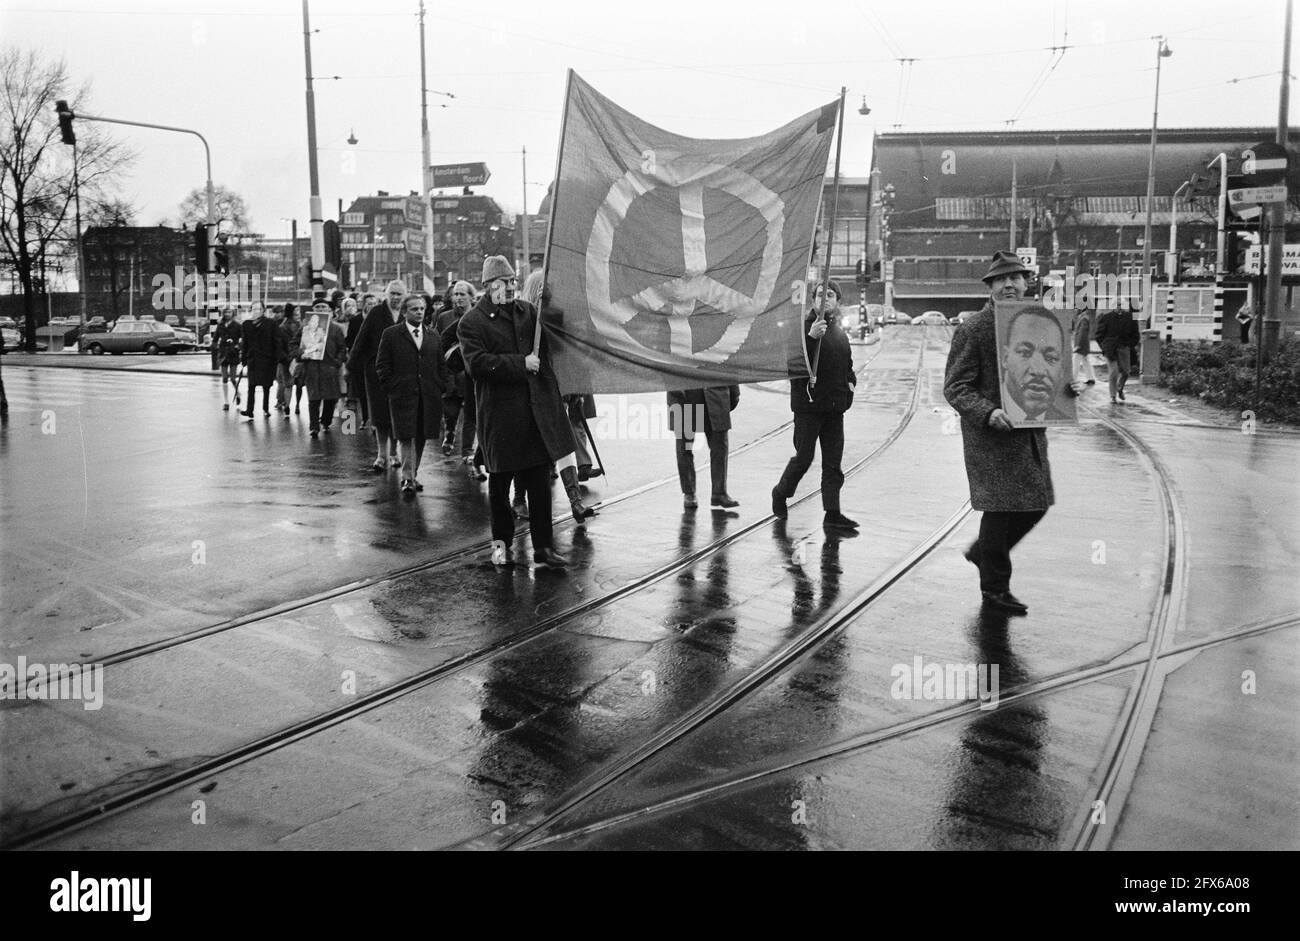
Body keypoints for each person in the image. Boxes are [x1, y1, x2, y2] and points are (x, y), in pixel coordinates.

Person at [943, 250, 1055, 616]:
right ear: (990, 287)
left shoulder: (1038, 324)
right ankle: (995, 589)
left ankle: (982, 555)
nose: (1009, 284)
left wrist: (1064, 391)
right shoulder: (974, 328)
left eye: (1015, 278)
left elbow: (1048, 372)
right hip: (991, 436)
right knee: (999, 509)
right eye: (1000, 280)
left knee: (1035, 505)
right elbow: (956, 386)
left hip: (1028, 434)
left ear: (1026, 283)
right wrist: (987, 412)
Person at [458, 256, 576, 570]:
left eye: (512, 281)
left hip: (533, 414)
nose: (509, 287)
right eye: (502, 282)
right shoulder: (472, 323)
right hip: (499, 419)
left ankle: (544, 548)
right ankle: (501, 546)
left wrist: (549, 302)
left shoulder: (529, 313)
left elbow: (556, 339)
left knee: (539, 487)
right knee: (499, 490)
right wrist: (520, 363)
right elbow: (478, 365)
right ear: (487, 286)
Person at [771, 279, 858, 531]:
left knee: (833, 463)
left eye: (830, 295)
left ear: (837, 301)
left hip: (834, 409)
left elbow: (848, 368)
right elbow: (793, 365)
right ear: (813, 300)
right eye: (820, 294)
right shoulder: (802, 329)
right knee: (804, 457)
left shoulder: (839, 333)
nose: (825, 298)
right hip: (808, 407)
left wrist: (849, 388)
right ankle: (781, 491)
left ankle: (832, 512)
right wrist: (810, 338)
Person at [520, 269, 596, 524]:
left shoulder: (556, 317)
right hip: (528, 389)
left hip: (554, 388)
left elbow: (565, 348)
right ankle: (520, 497)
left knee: (564, 442)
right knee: (527, 447)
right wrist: (539, 308)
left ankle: (575, 501)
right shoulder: (521, 316)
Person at [376, 294, 449, 495]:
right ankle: (408, 478)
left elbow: (441, 364)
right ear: (404, 312)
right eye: (414, 309)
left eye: (421, 309)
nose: (419, 312)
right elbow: (382, 365)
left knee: (422, 434)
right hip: (402, 394)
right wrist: (392, 386)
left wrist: (441, 385)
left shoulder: (433, 335)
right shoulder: (391, 334)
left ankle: (412, 474)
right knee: (406, 435)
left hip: (428, 394)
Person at [348, 280, 407, 472]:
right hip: (376, 373)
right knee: (380, 416)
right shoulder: (375, 313)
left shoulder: (408, 313)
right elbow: (360, 341)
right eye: (392, 294)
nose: (396, 298)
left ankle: (394, 454)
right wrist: (351, 367)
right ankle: (381, 455)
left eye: (399, 294)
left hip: (400, 374)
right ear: (386, 294)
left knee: (396, 414)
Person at [998, 304, 1074, 423]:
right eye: (1025, 353)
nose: (1038, 371)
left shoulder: (1063, 421)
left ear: (1062, 369)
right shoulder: (987, 409)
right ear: (1005, 358)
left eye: (1051, 358)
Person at [668, 386, 739, 510]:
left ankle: (719, 493)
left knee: (720, 446)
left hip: (716, 398)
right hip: (683, 398)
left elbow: (729, 368)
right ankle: (689, 493)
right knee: (684, 448)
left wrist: (733, 394)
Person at [436, 280, 478, 462]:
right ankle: (451, 434)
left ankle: (471, 451)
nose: (458, 298)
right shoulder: (444, 317)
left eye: (462, 294)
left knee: (474, 412)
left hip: (476, 370)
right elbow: (440, 340)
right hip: (455, 372)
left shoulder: (479, 315)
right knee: (452, 411)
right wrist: (452, 358)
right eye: (456, 294)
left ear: (472, 297)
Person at [295, 300, 347, 438]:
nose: (320, 309)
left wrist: (337, 362)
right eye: (317, 307)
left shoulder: (335, 329)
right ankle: (314, 427)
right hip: (311, 368)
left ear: (329, 310)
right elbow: (293, 344)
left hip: (329, 368)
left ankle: (326, 421)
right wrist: (301, 354)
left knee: (330, 398)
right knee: (313, 398)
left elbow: (342, 348)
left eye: (323, 307)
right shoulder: (304, 329)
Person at [239, 300, 283, 419]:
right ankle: (249, 409)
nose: (256, 311)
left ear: (263, 310)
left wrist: (277, 356)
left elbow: (277, 341)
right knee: (251, 385)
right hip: (253, 359)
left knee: (266, 386)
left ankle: (265, 408)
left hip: (267, 359)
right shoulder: (246, 324)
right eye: (253, 309)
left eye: (259, 309)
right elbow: (245, 343)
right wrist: (243, 358)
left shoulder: (271, 323)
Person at [1094, 303, 1140, 404]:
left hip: (1124, 347)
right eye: (1117, 305)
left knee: (1126, 372)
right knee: (1113, 372)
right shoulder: (1106, 318)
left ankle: (1119, 387)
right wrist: (1104, 347)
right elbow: (1099, 335)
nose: (1119, 307)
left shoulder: (1130, 318)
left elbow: (1136, 335)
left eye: (1121, 305)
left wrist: (1129, 345)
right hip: (1110, 349)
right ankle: (1113, 396)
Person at [214, 307, 243, 411]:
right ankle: (226, 402)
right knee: (225, 378)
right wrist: (216, 348)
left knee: (233, 378)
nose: (227, 314)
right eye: (225, 312)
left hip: (233, 353)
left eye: (229, 312)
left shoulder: (237, 325)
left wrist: (238, 347)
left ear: (233, 313)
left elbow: (243, 338)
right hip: (223, 353)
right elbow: (215, 339)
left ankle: (238, 393)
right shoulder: (220, 325)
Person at [1071, 308, 1096, 386]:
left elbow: (1082, 333)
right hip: (1083, 344)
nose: (1075, 309)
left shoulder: (1083, 319)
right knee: (1085, 360)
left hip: (1081, 344)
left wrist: (1078, 345)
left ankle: (1073, 379)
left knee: (1075, 361)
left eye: (1077, 308)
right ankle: (1091, 378)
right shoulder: (1083, 317)